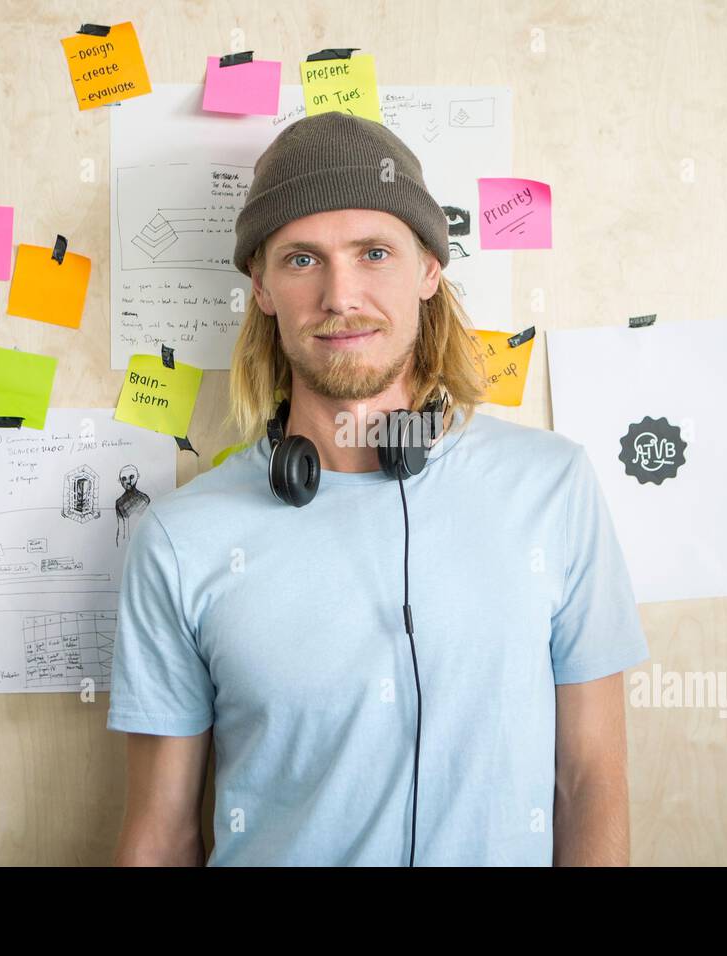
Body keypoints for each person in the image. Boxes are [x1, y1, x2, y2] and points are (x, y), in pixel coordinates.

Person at [108, 111, 649, 866]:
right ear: (260, 287)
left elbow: (590, 781)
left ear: (430, 268)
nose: (341, 295)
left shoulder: (552, 489)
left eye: (373, 252)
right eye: (302, 260)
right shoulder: (178, 539)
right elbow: (162, 833)